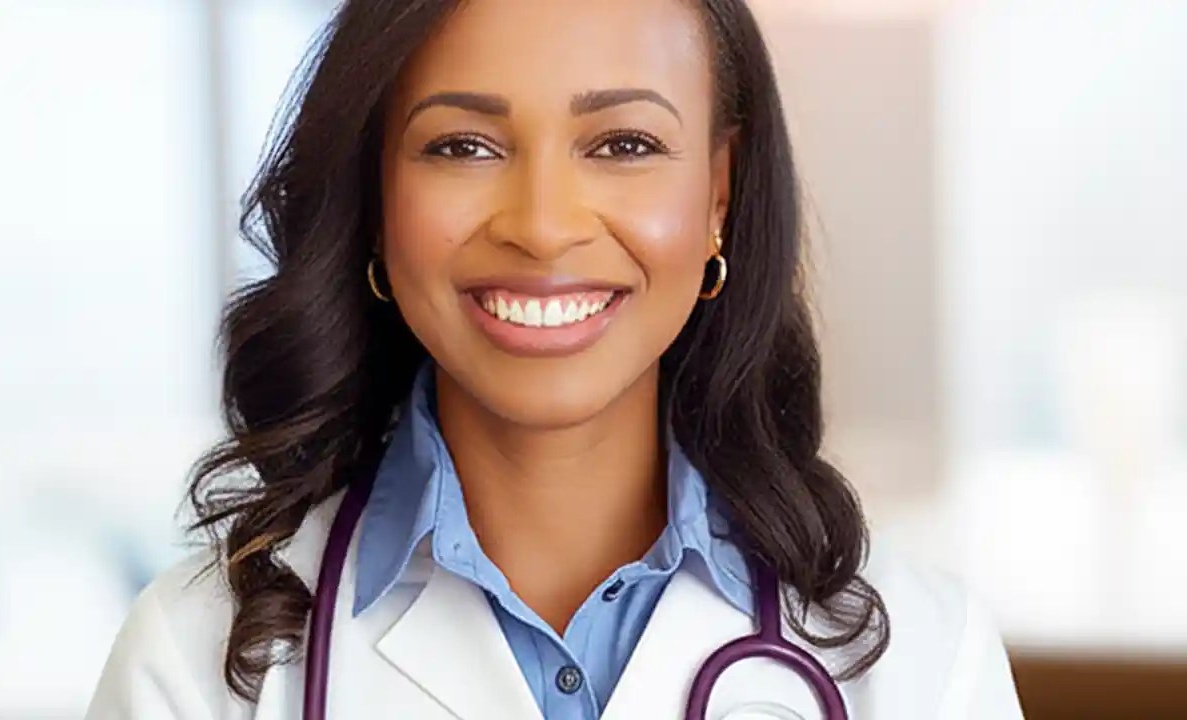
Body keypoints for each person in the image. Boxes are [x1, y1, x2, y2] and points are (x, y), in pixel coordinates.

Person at [85, 0, 1024, 717]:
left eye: (624, 143)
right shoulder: (194, 667)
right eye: (462, 145)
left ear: (719, 197)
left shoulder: (923, 666)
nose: (542, 226)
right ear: (375, 197)